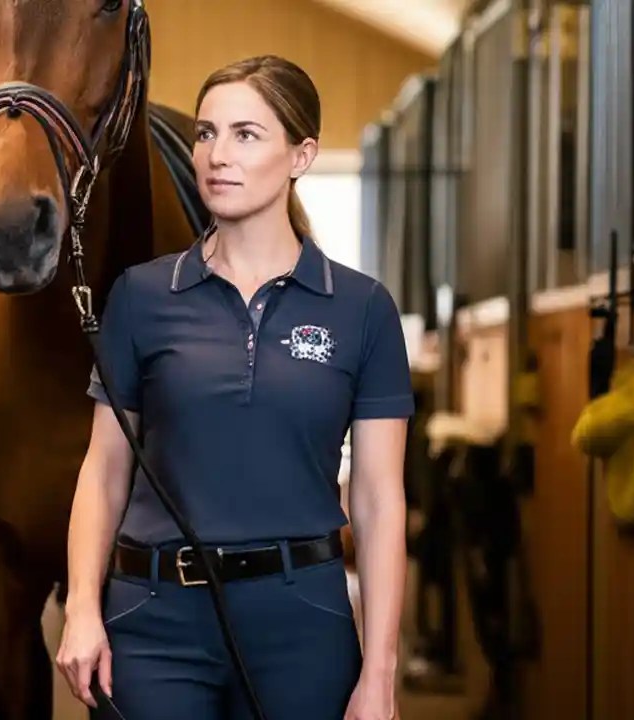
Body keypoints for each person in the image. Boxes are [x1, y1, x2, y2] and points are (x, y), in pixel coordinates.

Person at [55, 54, 413, 720]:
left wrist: (382, 670)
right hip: (154, 615)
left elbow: (378, 498)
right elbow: (103, 472)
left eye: (246, 135)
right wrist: (81, 608)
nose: (217, 154)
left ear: (301, 156)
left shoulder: (361, 309)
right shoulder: (140, 296)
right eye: (206, 133)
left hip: (302, 616)